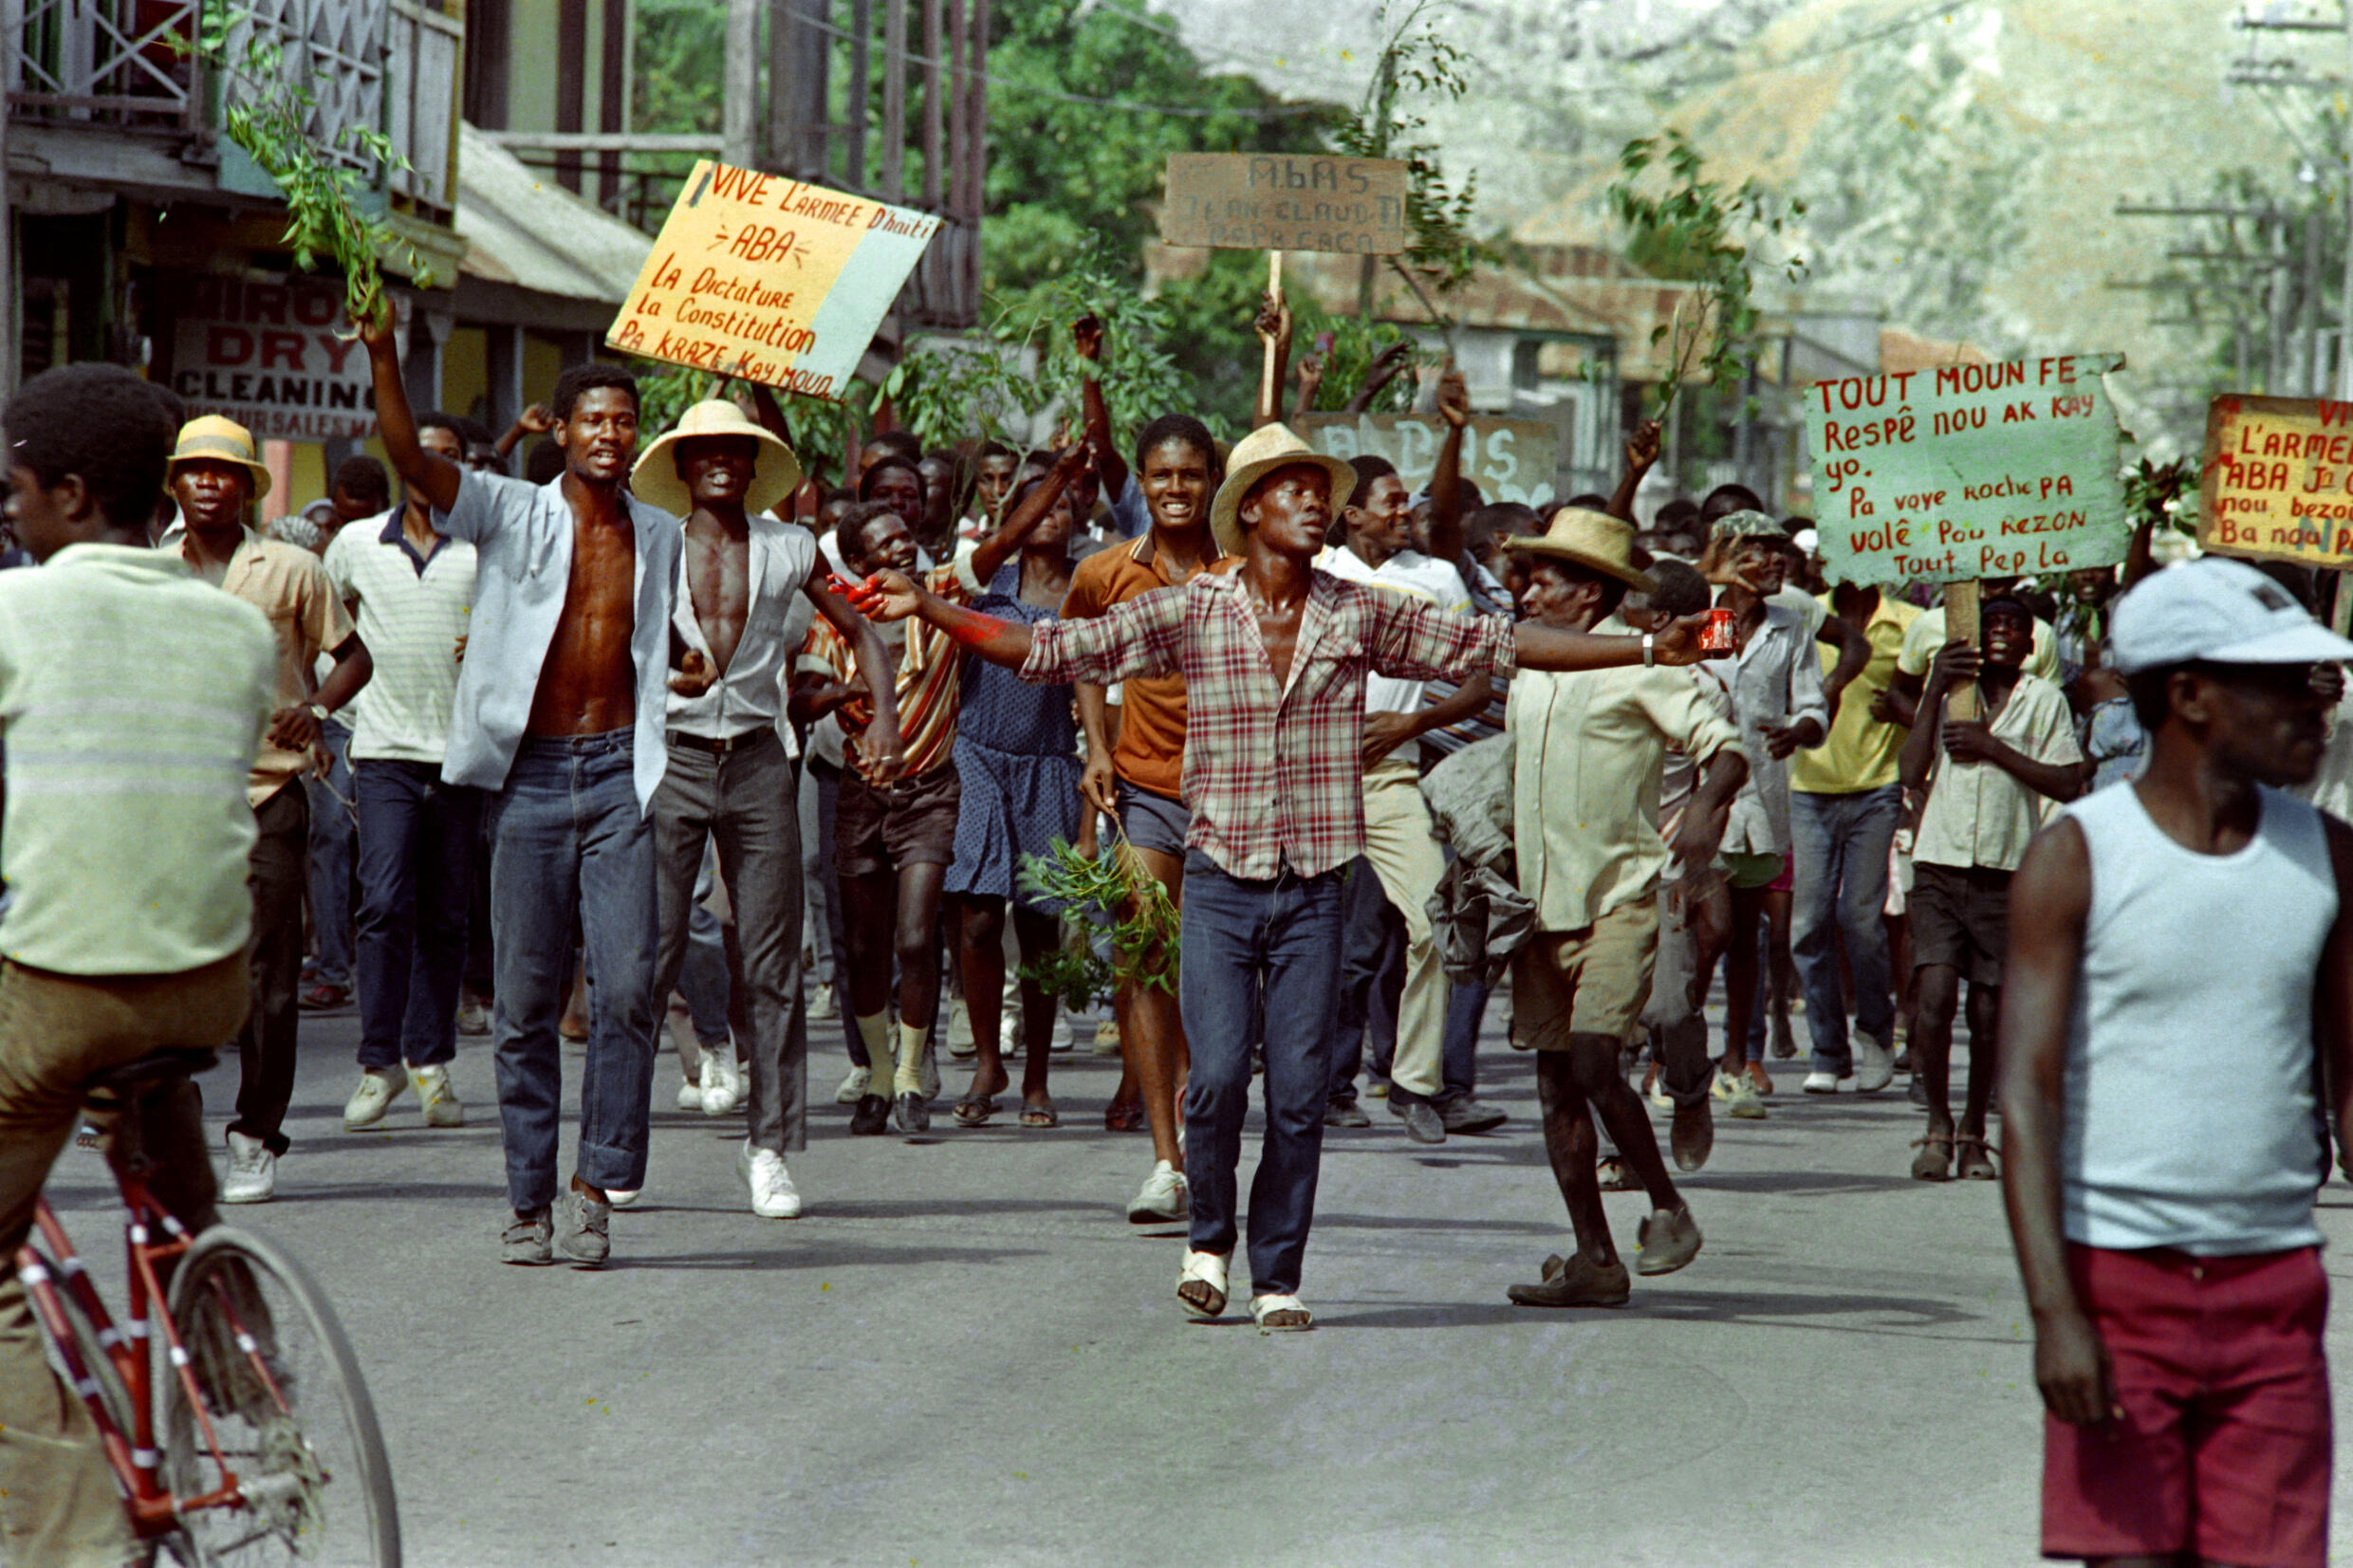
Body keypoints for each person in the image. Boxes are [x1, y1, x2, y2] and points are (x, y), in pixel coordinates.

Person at [853, 424, 1713, 1333]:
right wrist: (930, 607)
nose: (1314, 501)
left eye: (1320, 488)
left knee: (1298, 1095)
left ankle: (1277, 1274)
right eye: (1292, 487)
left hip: (1314, 889)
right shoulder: (1191, 608)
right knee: (1220, 1078)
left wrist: (1650, 653)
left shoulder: (1361, 609)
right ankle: (1209, 1245)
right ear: (1251, 509)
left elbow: (1499, 645)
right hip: (1221, 881)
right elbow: (1053, 652)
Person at [1999, 558, 2353, 1568]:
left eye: (2316, 678)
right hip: (2116, 1286)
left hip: (2273, 1294)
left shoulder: (2324, 856)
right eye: (2281, 681)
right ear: (2188, 696)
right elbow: (2025, 1099)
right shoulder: (2078, 856)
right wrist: (2054, 1314)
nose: (2313, 701)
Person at [0, 364, 277, 1568]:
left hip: (65, 992)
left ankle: (74, 1542)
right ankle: (243, 1380)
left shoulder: (16, 615)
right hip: (209, 977)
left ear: (67, 494)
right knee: (158, 1138)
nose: (9, 515)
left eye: (15, 493)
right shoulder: (235, 622)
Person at [362, 313, 685, 1269]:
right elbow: (408, 463)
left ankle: (597, 1185)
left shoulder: (658, 533)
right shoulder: (510, 510)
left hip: (622, 772)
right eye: (593, 420)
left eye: (624, 422)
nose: (608, 436)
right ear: (562, 431)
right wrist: (385, 353)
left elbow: (664, 639)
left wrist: (687, 669)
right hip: (530, 779)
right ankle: (528, 1199)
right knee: (524, 1003)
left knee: (626, 989)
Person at [632, 398, 899, 1217]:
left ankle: (770, 1148)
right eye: (704, 451)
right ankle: (617, 1144)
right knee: (650, 952)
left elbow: (864, 630)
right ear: (681, 465)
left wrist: (882, 719)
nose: (720, 462)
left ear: (755, 467)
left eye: (735, 451)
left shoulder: (788, 547)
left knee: (773, 960)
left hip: (757, 758)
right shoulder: (652, 543)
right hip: (670, 755)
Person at [1497, 512, 1744, 1306]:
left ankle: (1668, 1209)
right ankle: (1594, 1258)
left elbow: (1726, 744)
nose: (1529, 589)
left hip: (1619, 896)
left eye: (1545, 578)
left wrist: (1709, 803)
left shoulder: (1645, 664)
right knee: (1554, 1088)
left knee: (1596, 1057)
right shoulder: (1531, 664)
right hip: (1539, 906)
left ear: (1589, 592)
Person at [169, 415, 372, 1204]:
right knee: (173, 967)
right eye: (196, 471)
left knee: (269, 975)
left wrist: (316, 710)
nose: (210, 483)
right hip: (178, 797)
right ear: (175, 485)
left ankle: (255, 1134)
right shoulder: (154, 570)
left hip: (268, 793)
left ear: (250, 484)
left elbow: (354, 656)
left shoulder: (290, 568)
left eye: (226, 471)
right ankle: (174, 1116)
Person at [1060, 411, 1228, 1224]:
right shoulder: (1103, 571)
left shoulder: (1244, 569)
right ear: (1141, 480)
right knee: (1143, 951)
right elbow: (1083, 651)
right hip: (1144, 788)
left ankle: (1203, 1112)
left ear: (1213, 482)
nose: (1175, 489)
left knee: (1211, 970)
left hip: (1233, 794)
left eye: (1190, 475)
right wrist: (1097, 745)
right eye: (1161, 475)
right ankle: (1166, 1160)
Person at [1317, 440, 1498, 1142]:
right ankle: (1310, 1080)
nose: (1407, 510)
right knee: (1310, 939)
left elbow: (1481, 680)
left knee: (1432, 918)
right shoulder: (1312, 568)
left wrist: (1415, 719)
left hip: (1391, 775)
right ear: (1351, 513)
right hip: (1307, 777)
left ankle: (1414, 1081)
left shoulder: (1439, 578)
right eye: (1392, 499)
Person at [323, 411, 481, 1133]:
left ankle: (430, 1060)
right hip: (382, 749)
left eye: (448, 457)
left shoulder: (484, 545)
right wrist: (320, 714)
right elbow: (322, 626)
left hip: (461, 756)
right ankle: (377, 1060)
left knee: (447, 914)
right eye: (423, 454)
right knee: (384, 901)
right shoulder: (356, 543)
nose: (432, 468)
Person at [1899, 595, 2083, 1181]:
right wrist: (1933, 687)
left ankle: (1975, 1130)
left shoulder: (2044, 699)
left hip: (2007, 869)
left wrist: (1992, 748)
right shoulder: (1954, 694)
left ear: (2031, 645)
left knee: (1987, 1010)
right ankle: (1935, 1125)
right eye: (1991, 625)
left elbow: (2068, 780)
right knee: (1933, 996)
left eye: (2014, 627)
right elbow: (1909, 771)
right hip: (1939, 862)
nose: (2002, 633)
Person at [802, 502, 964, 1136]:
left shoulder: (942, 591)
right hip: (858, 794)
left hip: (929, 793)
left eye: (906, 536)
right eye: (885, 544)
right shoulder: (834, 617)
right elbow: (802, 692)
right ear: (860, 563)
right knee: (864, 946)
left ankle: (910, 1074)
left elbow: (1005, 538)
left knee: (917, 938)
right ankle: (873, 1072)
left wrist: (1062, 472)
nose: (902, 548)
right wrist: (840, 696)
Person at [944, 448, 1096, 1129]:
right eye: (1038, 502)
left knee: (1040, 927)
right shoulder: (983, 577)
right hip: (976, 755)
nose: (1050, 513)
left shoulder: (1086, 592)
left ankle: (1035, 1074)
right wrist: (1053, 475)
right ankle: (986, 1060)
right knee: (977, 914)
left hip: (1048, 764)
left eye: (1063, 504)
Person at [1698, 513, 1826, 1121]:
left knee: (1746, 936)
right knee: (1708, 929)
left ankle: (1734, 1061)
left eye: (1781, 553)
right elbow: (1693, 685)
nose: (1778, 564)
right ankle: (1672, 1050)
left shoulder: (1790, 625)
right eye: (1762, 553)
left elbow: (1810, 704)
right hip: (1702, 796)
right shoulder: (1709, 619)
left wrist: (1799, 731)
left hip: (1763, 798)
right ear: (1729, 557)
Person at [1789, 573, 1919, 1094]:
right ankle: (1827, 1049)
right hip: (1807, 786)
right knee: (1808, 923)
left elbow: (1930, 702)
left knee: (1861, 921)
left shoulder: (1908, 623)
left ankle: (1876, 1032)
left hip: (1877, 789)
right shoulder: (1801, 613)